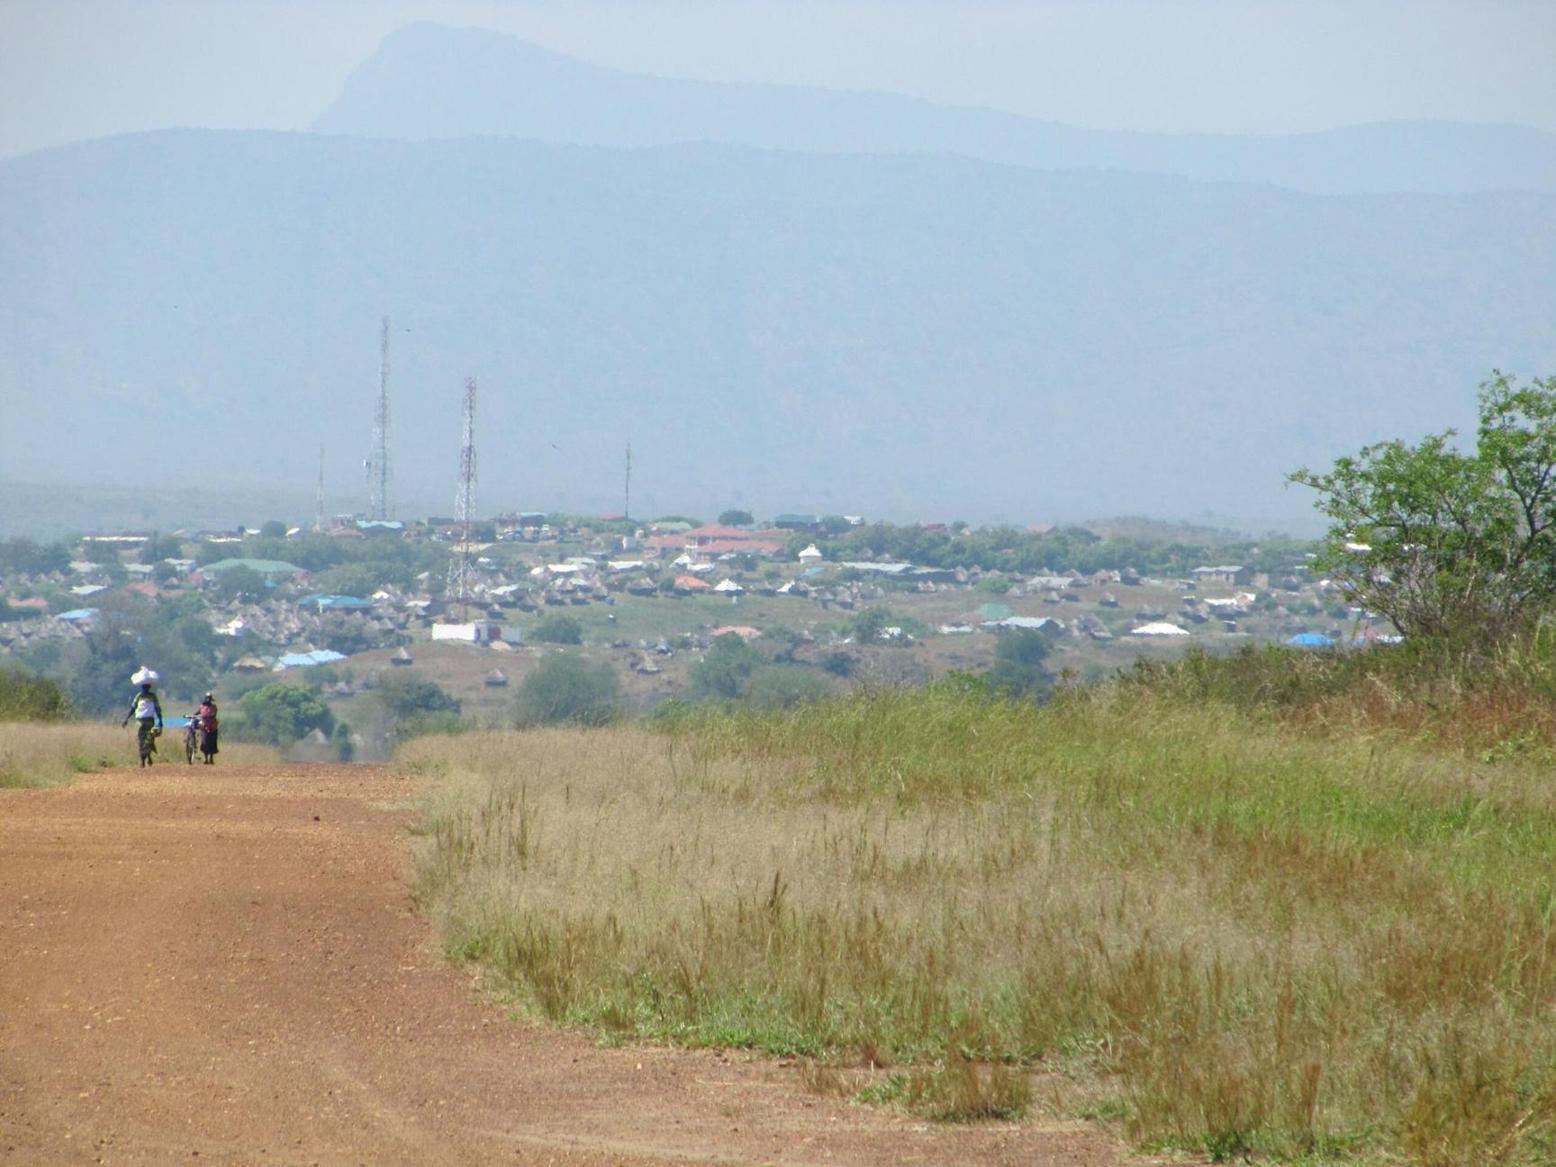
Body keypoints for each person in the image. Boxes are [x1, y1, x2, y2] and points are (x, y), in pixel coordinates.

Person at [121, 681, 164, 767]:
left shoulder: (153, 696)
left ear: (148, 688)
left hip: (150, 721)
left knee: (149, 740)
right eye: (144, 688)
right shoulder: (139, 696)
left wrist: (160, 720)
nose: (145, 689)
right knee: (141, 741)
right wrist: (126, 718)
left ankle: (148, 756)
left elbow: (157, 709)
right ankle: (142, 760)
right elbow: (133, 708)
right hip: (139, 722)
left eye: (146, 687)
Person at [196, 692, 219, 764]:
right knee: (205, 742)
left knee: (212, 742)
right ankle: (206, 759)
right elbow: (197, 712)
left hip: (212, 726)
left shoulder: (214, 707)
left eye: (209, 699)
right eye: (207, 698)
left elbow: (214, 714)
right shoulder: (201, 706)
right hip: (204, 726)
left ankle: (211, 758)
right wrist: (193, 715)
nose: (208, 700)